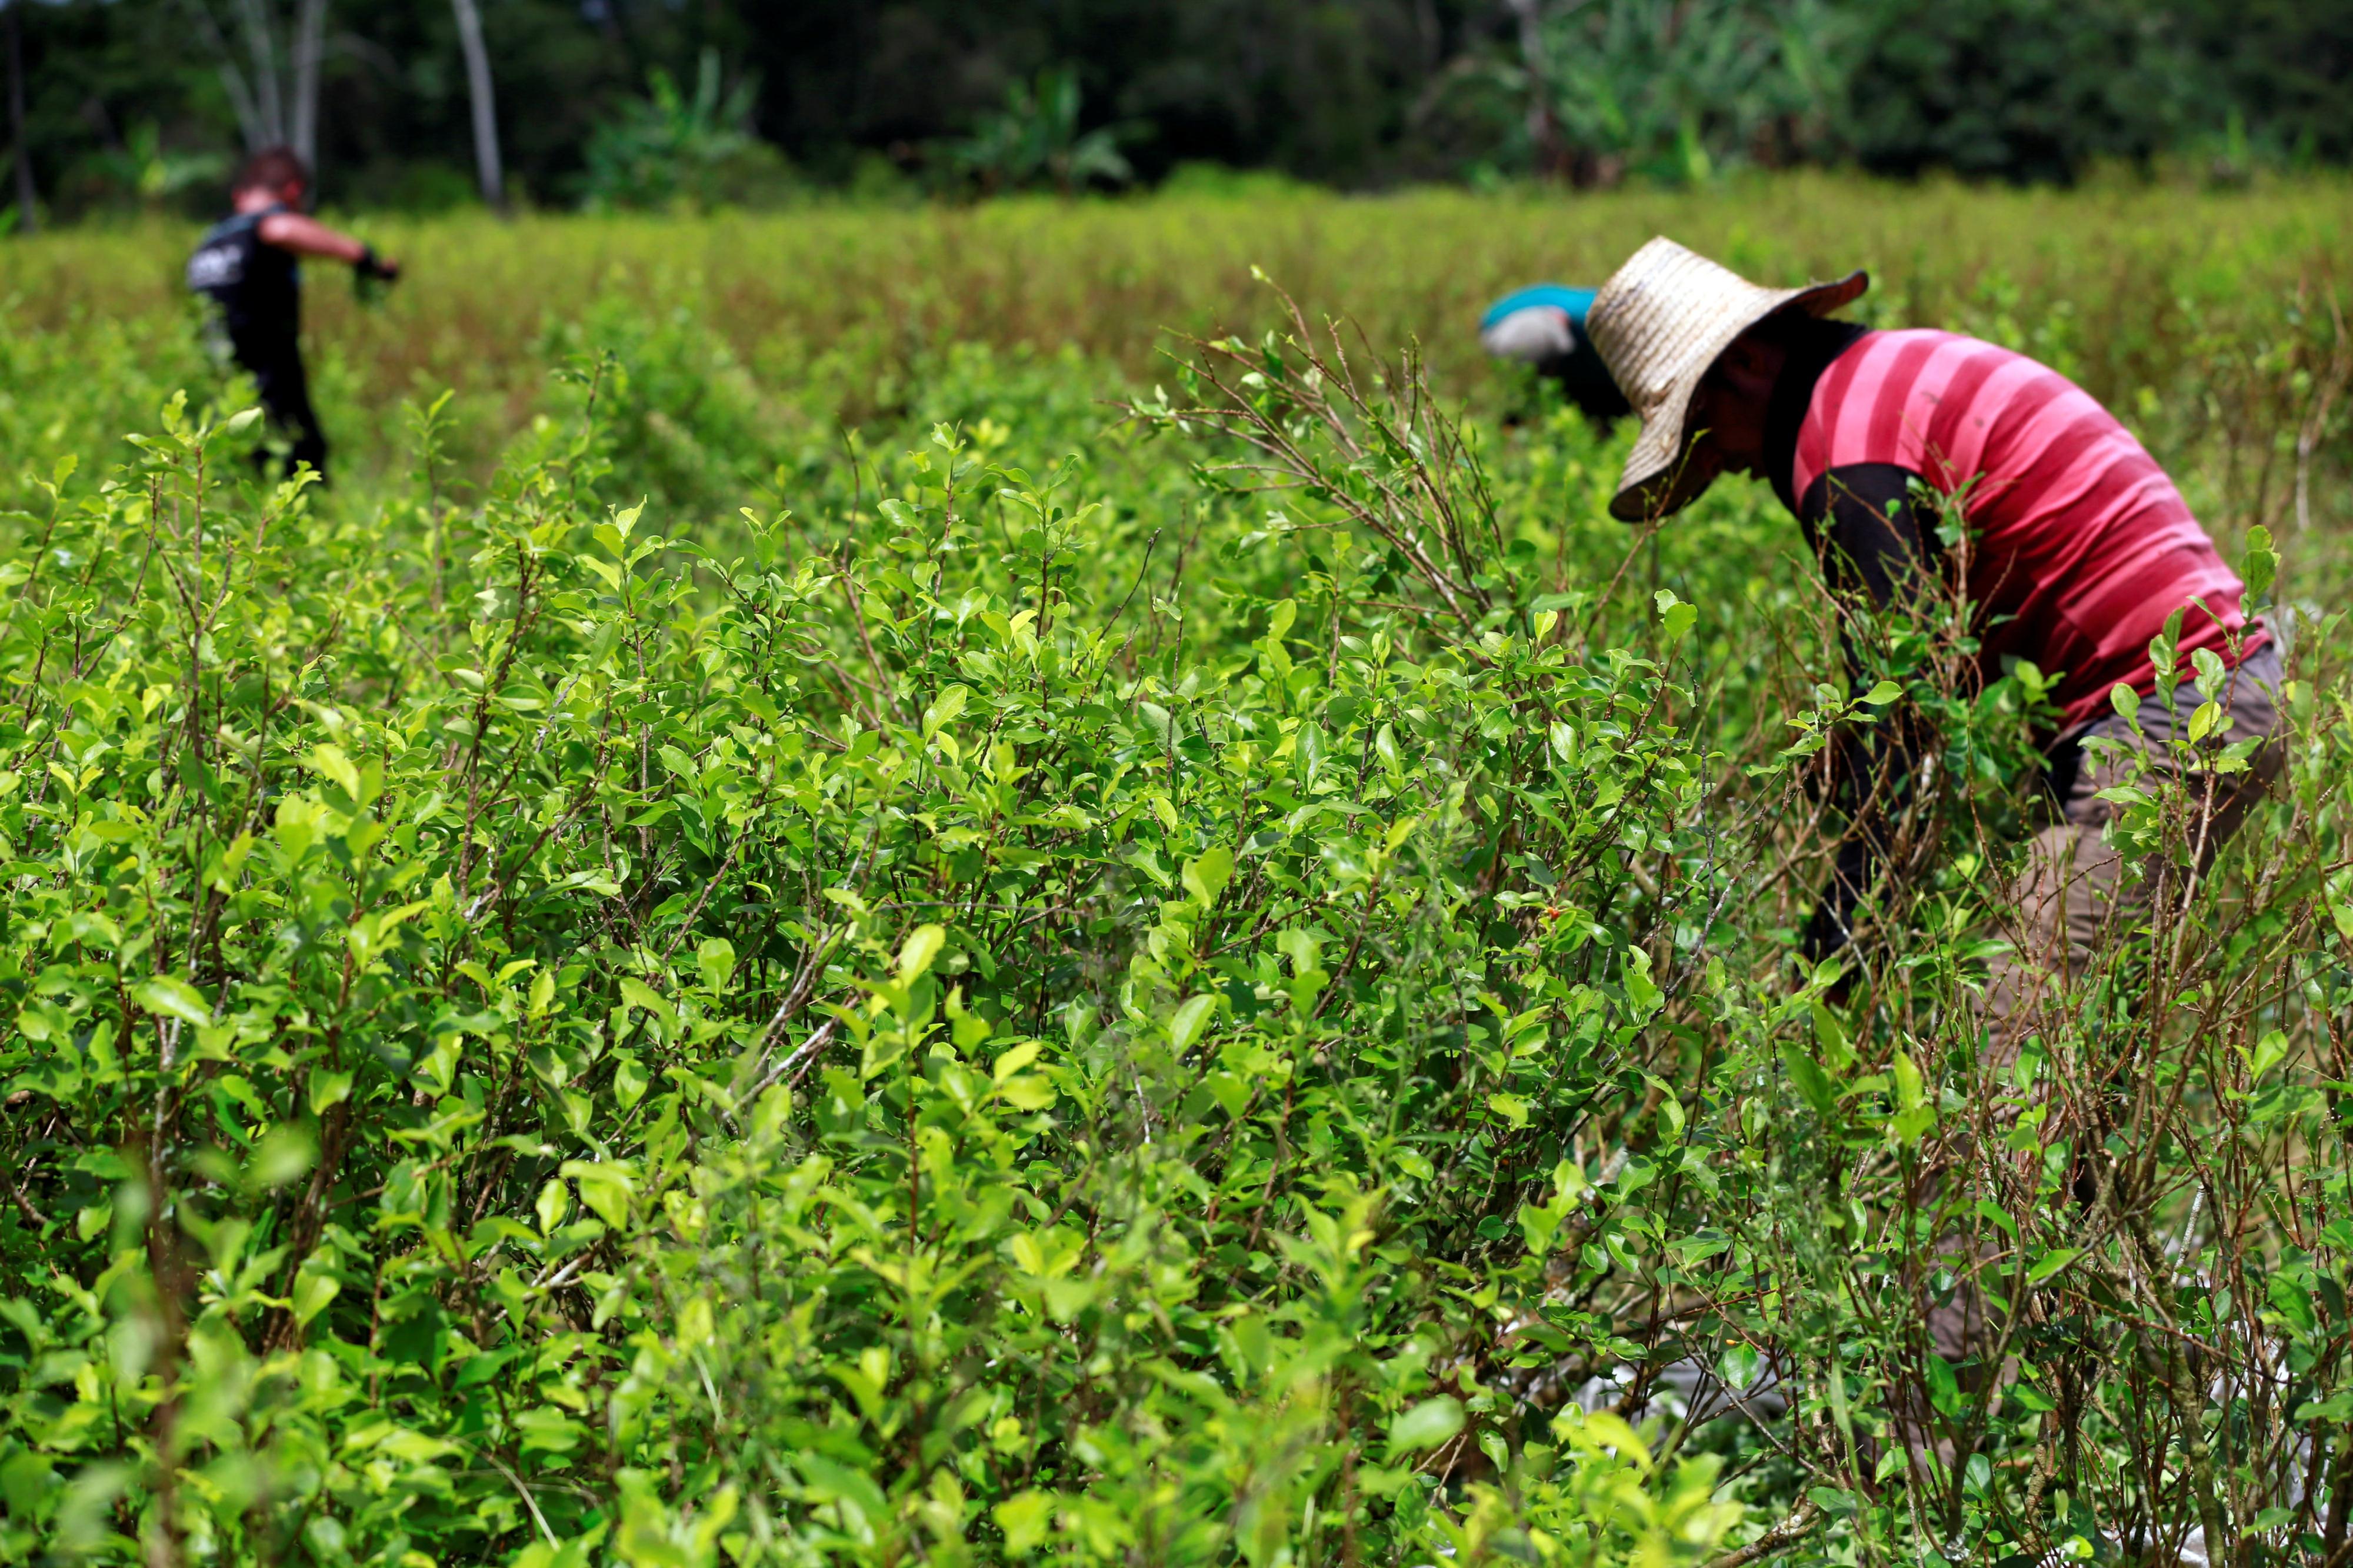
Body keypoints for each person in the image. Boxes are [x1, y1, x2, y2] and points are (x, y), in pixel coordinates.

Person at [1582, 237, 2280, 1040]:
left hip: (2172, 710)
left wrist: (1831, 955)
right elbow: (1943, 664)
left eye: (1705, 431)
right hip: (2207, 691)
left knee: (2017, 1044)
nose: (1730, 463)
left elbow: (1909, 716)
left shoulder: (1844, 456)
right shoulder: (1880, 380)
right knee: (2074, 1046)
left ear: (1740, 366)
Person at [186, 146, 400, 479]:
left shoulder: (210, 243)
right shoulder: (267, 226)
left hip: (223, 388)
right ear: (293, 192)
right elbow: (281, 228)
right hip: (272, 388)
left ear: (239, 194)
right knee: (302, 464)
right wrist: (363, 257)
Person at [1479, 285, 1632, 428]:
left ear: (1561, 319)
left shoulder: (1601, 320)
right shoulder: (1493, 324)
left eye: (1550, 365)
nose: (1549, 373)